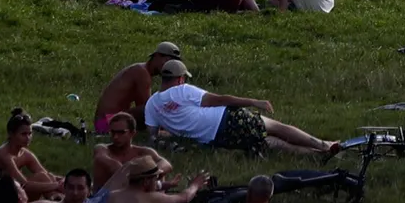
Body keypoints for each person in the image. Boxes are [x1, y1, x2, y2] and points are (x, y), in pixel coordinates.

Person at [143, 57, 354, 157]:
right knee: (275, 127)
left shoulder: (152, 104)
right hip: (224, 119)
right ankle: (323, 145)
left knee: (268, 143)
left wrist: (175, 133)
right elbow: (220, 99)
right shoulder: (183, 90)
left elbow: (154, 136)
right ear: (180, 78)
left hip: (214, 139)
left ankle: (315, 155)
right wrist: (253, 102)